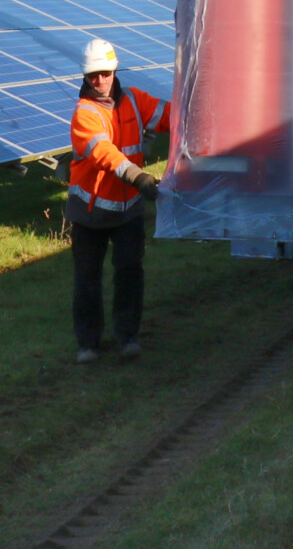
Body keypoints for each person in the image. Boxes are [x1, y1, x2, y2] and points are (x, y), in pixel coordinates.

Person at [67, 37, 171, 363]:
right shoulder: (84, 113)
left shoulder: (135, 100)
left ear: (114, 70)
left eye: (104, 73)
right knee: (88, 281)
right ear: (85, 76)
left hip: (128, 211)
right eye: (92, 75)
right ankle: (88, 344)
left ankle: (128, 336)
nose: (99, 80)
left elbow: (169, 116)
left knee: (129, 272)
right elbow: (104, 153)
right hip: (90, 212)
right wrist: (138, 177)